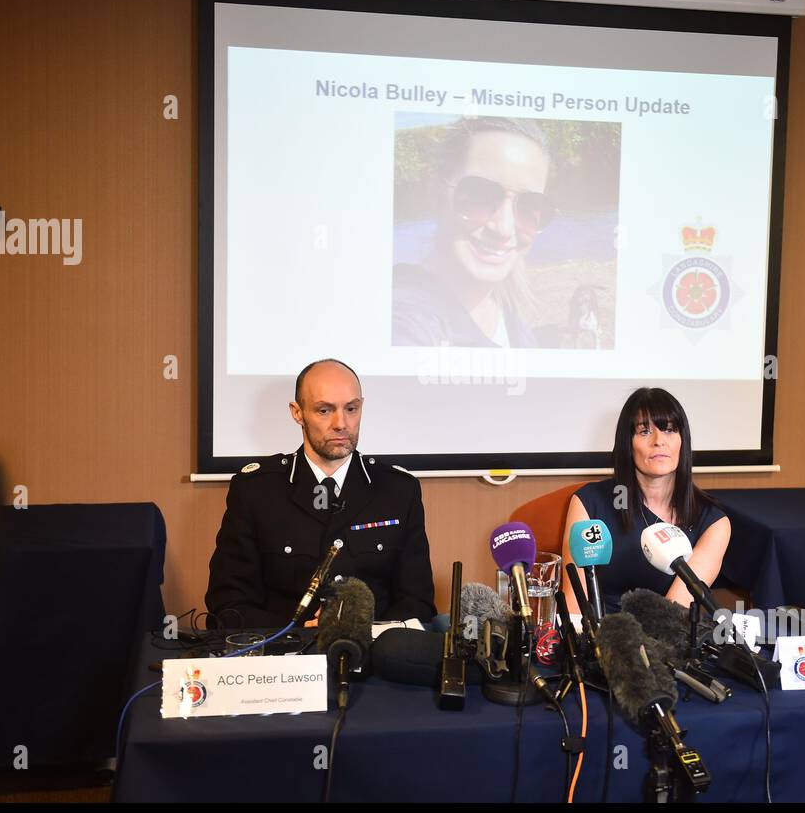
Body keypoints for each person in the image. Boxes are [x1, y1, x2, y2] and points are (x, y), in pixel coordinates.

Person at [206, 359, 436, 629]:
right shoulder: (256, 491)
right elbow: (228, 604)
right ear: (297, 413)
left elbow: (418, 602)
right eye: (325, 410)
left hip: (375, 657)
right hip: (287, 659)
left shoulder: (398, 490)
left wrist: (361, 631)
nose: (341, 423)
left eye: (351, 408)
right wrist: (300, 633)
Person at [561, 387, 730, 615]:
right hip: (597, 638)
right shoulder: (589, 503)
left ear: (683, 441)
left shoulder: (713, 522)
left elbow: (674, 612)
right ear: (628, 444)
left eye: (669, 430)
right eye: (644, 432)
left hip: (665, 641)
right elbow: (574, 603)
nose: (659, 441)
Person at [392, 116, 554, 349]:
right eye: (478, 196)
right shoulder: (405, 318)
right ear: (436, 193)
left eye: (530, 207)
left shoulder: (515, 325)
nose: (504, 228)